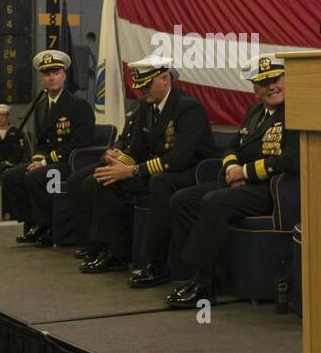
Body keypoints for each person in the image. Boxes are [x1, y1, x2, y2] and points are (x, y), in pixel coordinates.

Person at [164, 54, 298, 308]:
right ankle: (200, 274)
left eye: (276, 79)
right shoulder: (255, 111)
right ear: (255, 89)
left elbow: (291, 160)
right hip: (241, 184)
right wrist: (232, 167)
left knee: (214, 202)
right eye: (263, 82)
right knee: (182, 200)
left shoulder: (297, 112)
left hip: (271, 189)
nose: (271, 86)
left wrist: (245, 173)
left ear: (286, 79)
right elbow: (231, 147)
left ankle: (202, 287)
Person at [78, 56, 217, 282]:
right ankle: (114, 251)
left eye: (146, 85)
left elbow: (179, 158)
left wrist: (132, 171)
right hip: (160, 169)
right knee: (104, 178)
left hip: (193, 172)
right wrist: (119, 163)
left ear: (164, 79)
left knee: (159, 182)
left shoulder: (187, 107)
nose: (142, 91)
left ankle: (157, 264)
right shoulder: (147, 105)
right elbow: (138, 148)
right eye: (139, 86)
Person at [2, 50, 95, 248]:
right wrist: (37, 159)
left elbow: (80, 143)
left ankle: (47, 227)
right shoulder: (42, 107)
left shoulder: (78, 106)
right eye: (46, 74)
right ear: (41, 78)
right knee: (10, 176)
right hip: (49, 161)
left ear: (64, 75)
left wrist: (44, 162)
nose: (51, 77)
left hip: (70, 162)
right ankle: (35, 223)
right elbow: (42, 143)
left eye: (55, 72)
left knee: (34, 177)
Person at [71, 98, 143, 263]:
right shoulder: (137, 105)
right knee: (75, 181)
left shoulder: (152, 108)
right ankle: (88, 241)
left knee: (96, 182)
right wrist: (111, 151)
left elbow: (141, 146)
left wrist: (122, 158)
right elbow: (124, 137)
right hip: (119, 157)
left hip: (131, 162)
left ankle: (107, 247)